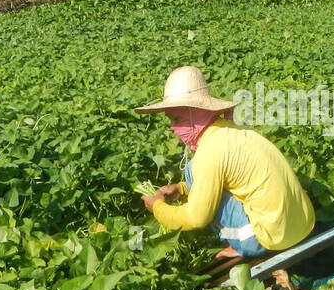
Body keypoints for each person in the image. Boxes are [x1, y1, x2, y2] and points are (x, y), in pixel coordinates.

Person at [135, 66, 315, 260]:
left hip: (269, 238)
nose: (172, 127)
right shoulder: (231, 131)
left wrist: (158, 208)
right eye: (170, 120)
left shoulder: (209, 153)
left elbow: (196, 218)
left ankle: (244, 243)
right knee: (192, 172)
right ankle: (246, 236)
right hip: (301, 225)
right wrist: (181, 189)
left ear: (196, 115)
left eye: (178, 119)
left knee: (193, 171)